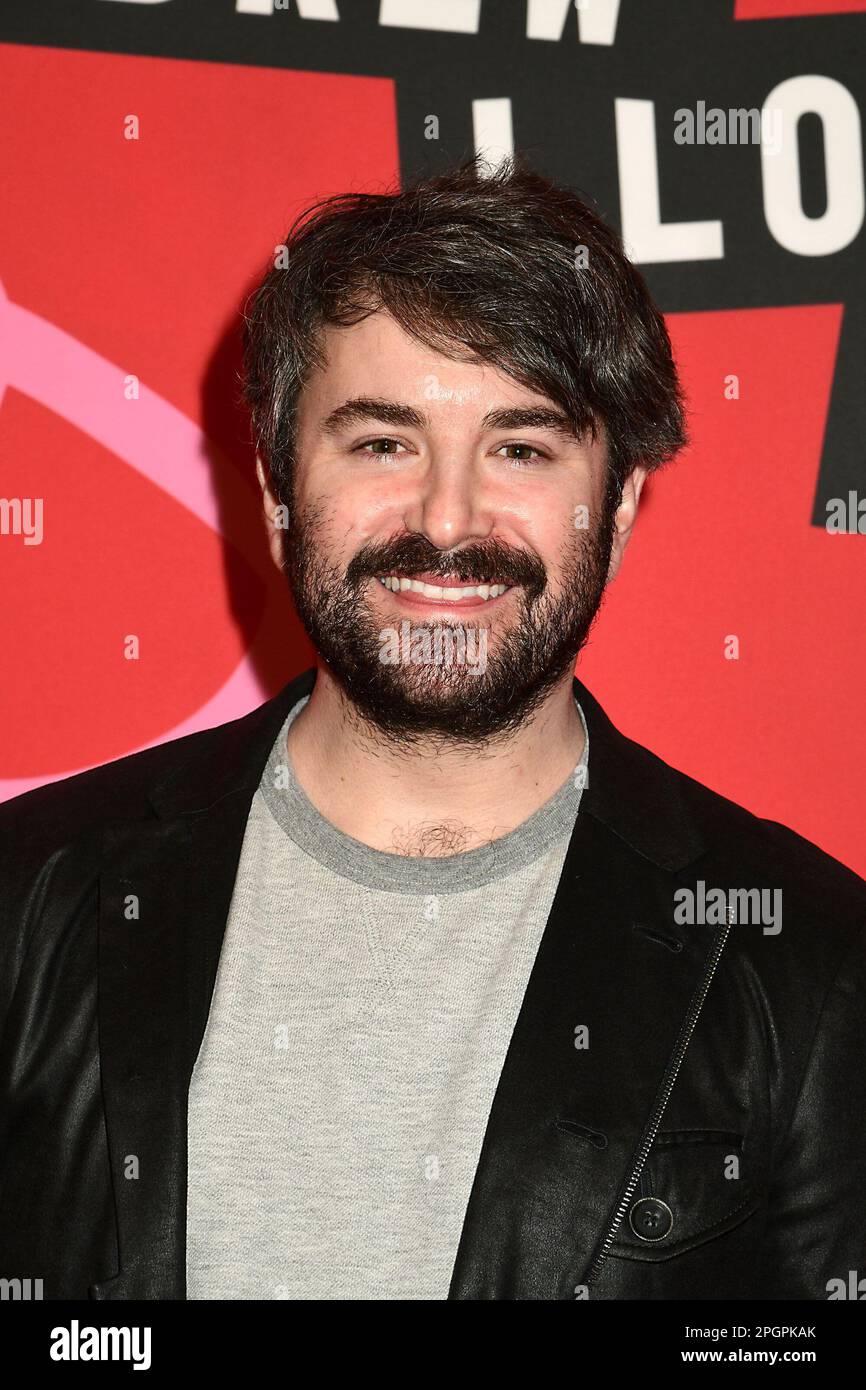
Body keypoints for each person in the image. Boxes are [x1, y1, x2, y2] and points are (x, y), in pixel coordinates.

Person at [1, 158, 864, 1302]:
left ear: (613, 504)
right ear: (273, 488)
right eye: (380, 443)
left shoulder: (806, 960)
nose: (447, 520)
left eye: (519, 448)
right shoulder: (29, 892)